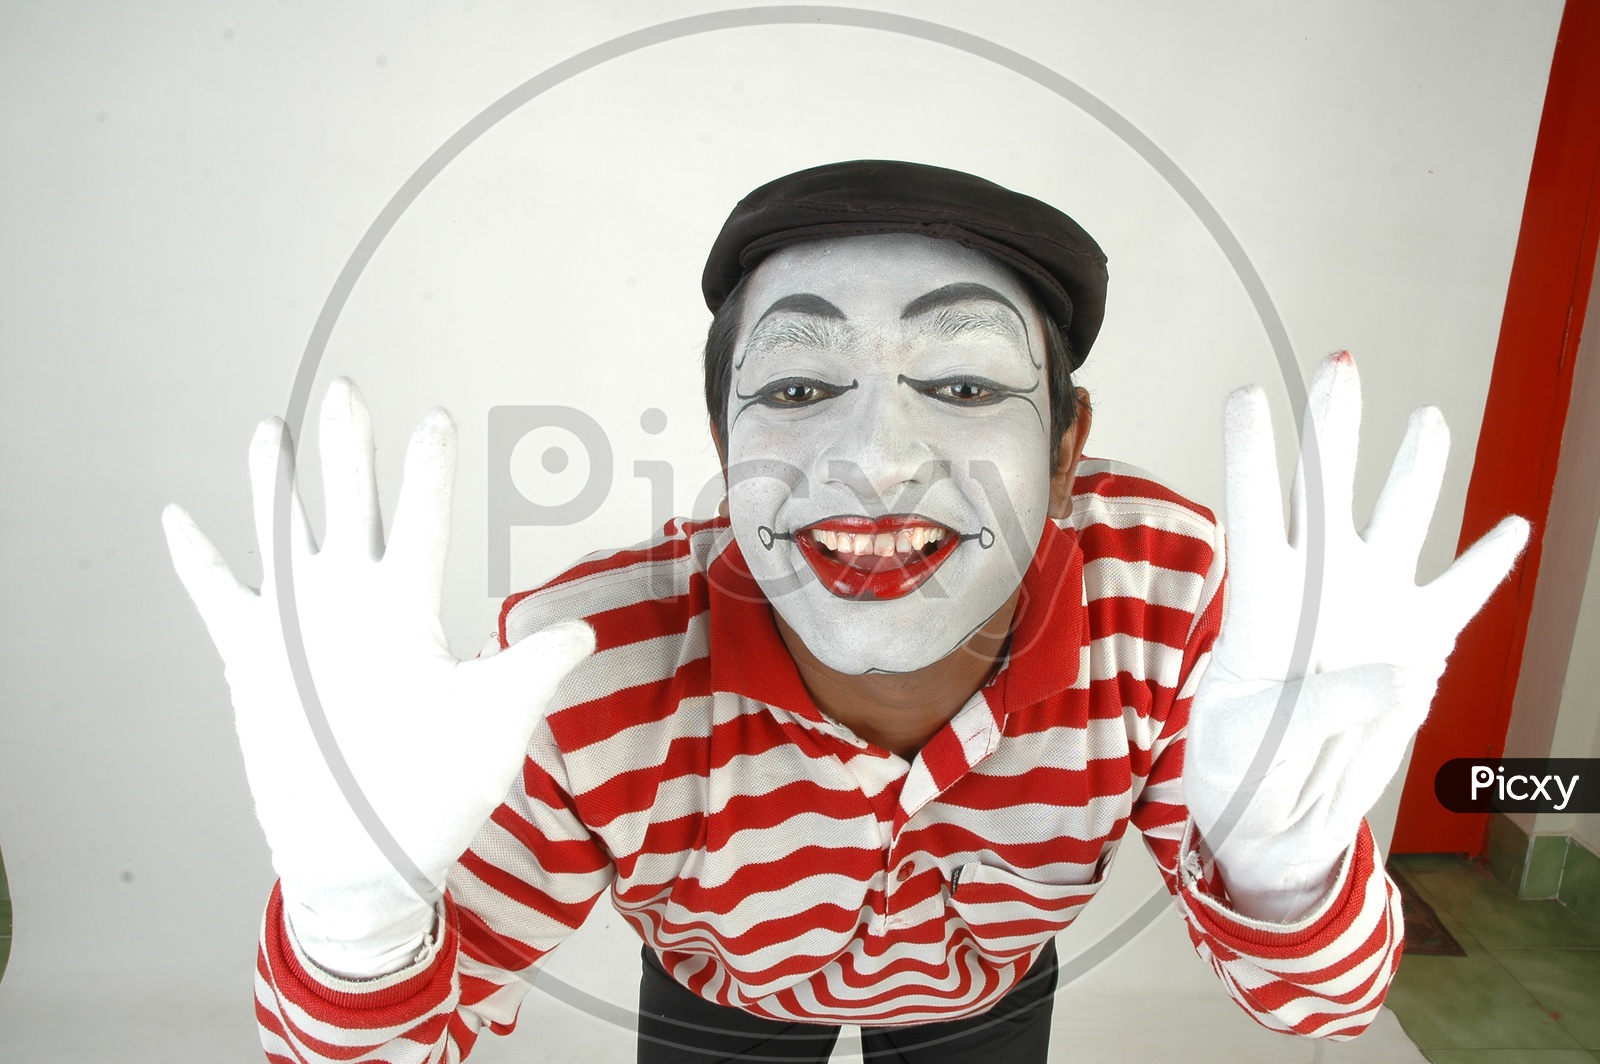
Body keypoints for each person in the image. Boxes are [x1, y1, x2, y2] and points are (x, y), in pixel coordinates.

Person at [163, 160, 1529, 1063]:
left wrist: (1289, 880)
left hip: (985, 995)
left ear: (1067, 444)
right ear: (720, 431)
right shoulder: (588, 667)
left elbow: (1328, 1003)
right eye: (802, 389)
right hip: (721, 994)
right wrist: (355, 919)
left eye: (967, 383)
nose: (876, 462)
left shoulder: (1172, 599)